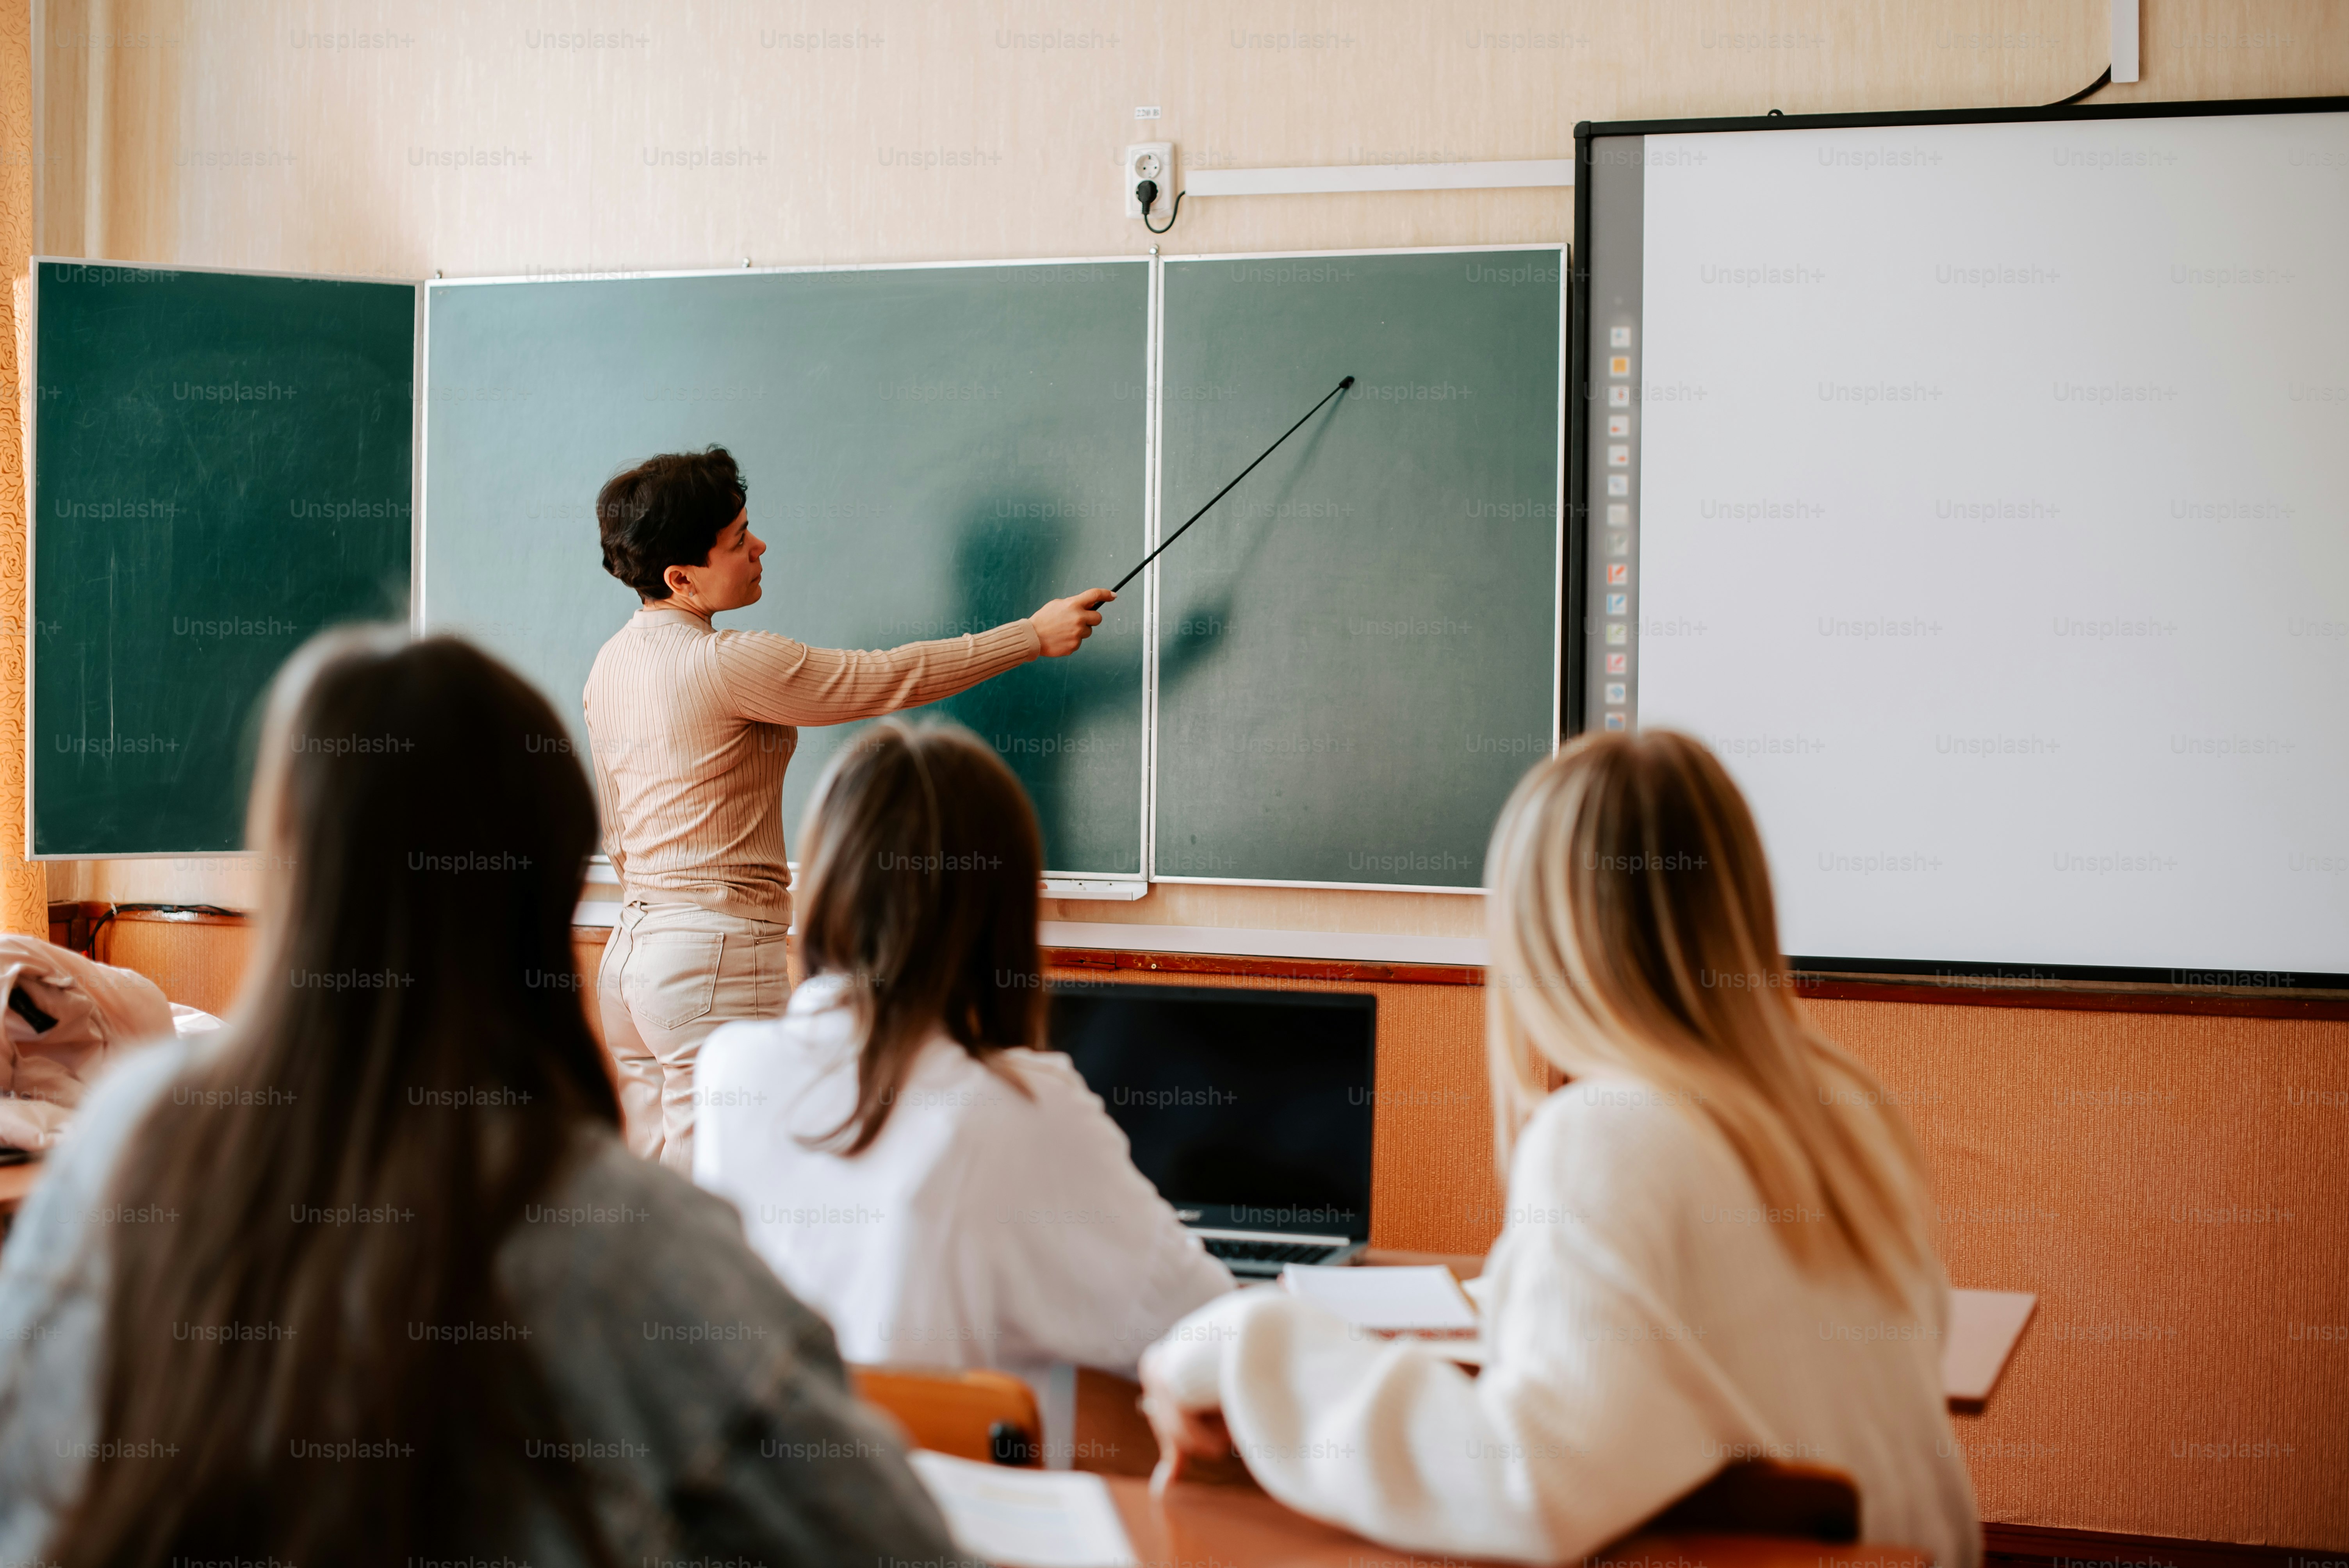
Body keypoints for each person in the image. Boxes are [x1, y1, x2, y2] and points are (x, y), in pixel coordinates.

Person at [0, 629, 960, 1568]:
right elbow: (890, 1542)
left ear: (291, 860)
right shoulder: (626, 1233)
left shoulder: (125, 1135)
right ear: (546, 879)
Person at [1137, 731, 1980, 1568]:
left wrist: (1241, 1339)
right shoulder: (1842, 1110)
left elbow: (1529, 1485)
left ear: (1540, 934)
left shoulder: (1611, 1130)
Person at [692, 720, 1233, 1457]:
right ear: (1002, 908)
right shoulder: (1019, 1107)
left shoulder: (732, 1068)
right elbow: (1201, 1327)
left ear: (821, 880)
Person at [586, 447, 1115, 1173]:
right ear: (681, 578)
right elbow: (884, 680)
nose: (759, 547)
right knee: (725, 1204)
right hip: (710, 962)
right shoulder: (726, 663)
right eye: (739, 542)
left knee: (659, 1199)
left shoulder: (612, 662)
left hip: (632, 957)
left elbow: (616, 820)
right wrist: (1030, 636)